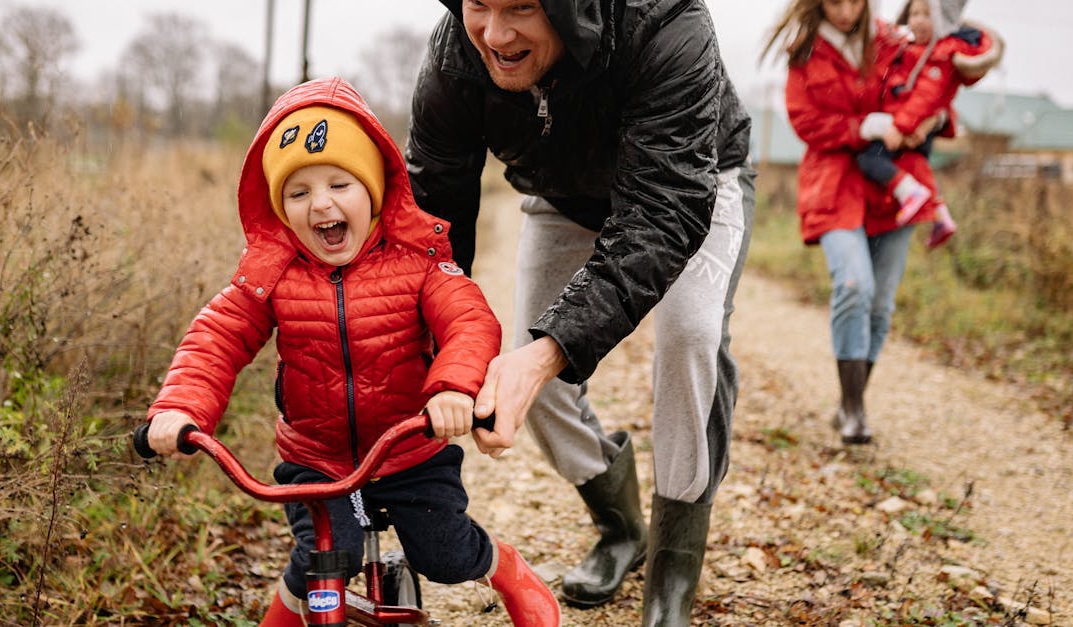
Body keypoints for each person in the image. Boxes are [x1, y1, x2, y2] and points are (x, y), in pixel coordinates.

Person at [143, 77, 560, 627]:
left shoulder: (418, 261)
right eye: (298, 192)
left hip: (410, 448)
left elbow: (470, 321)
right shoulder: (270, 274)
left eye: (341, 183)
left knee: (445, 554)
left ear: (375, 190)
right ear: (280, 208)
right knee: (320, 560)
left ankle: (507, 569)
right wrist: (181, 409)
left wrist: (453, 386)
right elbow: (215, 339)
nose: (321, 204)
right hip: (315, 456)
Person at [405, 1, 754, 624]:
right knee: (531, 380)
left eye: (519, 7)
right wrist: (425, 352)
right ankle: (621, 528)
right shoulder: (455, 59)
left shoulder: (669, 24)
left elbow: (663, 212)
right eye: (478, 5)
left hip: (691, 183)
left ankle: (672, 576)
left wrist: (550, 352)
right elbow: (435, 224)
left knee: (690, 337)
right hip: (563, 195)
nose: (495, 33)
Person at [762, 0, 921, 445]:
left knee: (881, 304)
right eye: (835, 2)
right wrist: (862, 126)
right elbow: (806, 122)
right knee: (854, 286)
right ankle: (853, 409)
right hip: (834, 186)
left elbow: (931, 83)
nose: (846, 11)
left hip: (893, 185)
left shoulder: (893, 41)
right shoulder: (805, 51)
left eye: (855, 1)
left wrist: (936, 116)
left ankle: (852, 403)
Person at [856, 0, 1003, 249]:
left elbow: (926, 98)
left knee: (869, 159)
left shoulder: (939, 55)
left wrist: (900, 128)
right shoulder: (912, 50)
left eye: (927, 14)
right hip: (911, 126)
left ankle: (908, 193)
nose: (918, 20)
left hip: (908, 126)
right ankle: (940, 216)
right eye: (914, 13)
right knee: (918, 165)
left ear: (943, 21)